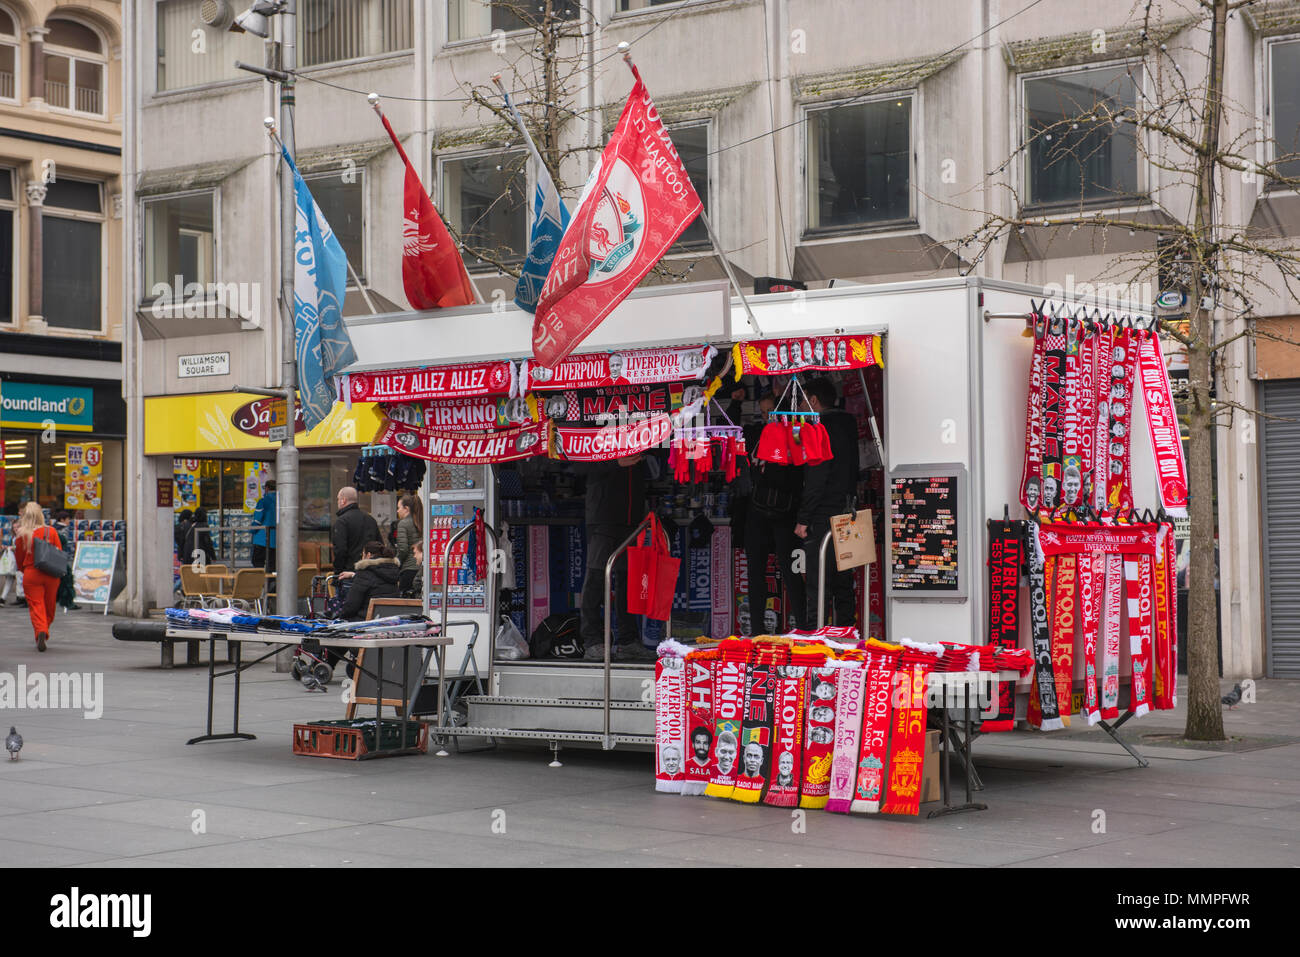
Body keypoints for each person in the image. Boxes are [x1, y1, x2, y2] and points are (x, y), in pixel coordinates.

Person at [574, 454, 655, 662]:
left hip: (632, 517)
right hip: (603, 516)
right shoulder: (595, 425)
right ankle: (592, 640)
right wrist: (613, 462)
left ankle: (628, 641)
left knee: (627, 582)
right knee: (596, 577)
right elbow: (577, 464)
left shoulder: (637, 428)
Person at [795, 378, 860, 631]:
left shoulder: (818, 429)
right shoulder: (848, 424)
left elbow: (816, 477)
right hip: (849, 508)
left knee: (818, 581)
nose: (799, 407)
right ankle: (847, 634)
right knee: (844, 580)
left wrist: (803, 518)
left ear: (813, 401)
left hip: (823, 513)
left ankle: (816, 637)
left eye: (802, 400)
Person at [743, 410, 805, 635]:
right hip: (774, 511)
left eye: (770, 412)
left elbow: (801, 464)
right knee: (765, 572)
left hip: (775, 511)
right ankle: (763, 629)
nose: (768, 417)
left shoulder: (793, 433)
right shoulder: (767, 434)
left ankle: (801, 626)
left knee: (784, 571)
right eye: (763, 412)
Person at [14, 502, 62, 651]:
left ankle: (40, 630)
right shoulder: (51, 531)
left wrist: (25, 570)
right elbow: (59, 551)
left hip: (31, 573)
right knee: (49, 606)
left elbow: (19, 558)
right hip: (51, 573)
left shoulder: (21, 534)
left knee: (36, 605)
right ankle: (45, 628)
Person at [336, 541, 401, 621]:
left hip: (366, 621)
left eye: (363, 555)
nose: (362, 558)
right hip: (390, 621)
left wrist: (340, 617)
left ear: (368, 555)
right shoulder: (393, 571)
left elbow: (351, 606)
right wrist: (354, 575)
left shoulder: (364, 573)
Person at [331, 486, 380, 574]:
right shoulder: (370, 519)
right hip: (370, 572)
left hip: (348, 573)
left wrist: (338, 572)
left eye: (338, 499)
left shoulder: (342, 521)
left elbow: (340, 550)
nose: (338, 502)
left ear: (343, 500)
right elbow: (379, 545)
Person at [395, 494, 423, 596]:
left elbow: (403, 549)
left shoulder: (403, 524)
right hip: (420, 568)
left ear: (406, 509)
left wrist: (396, 563)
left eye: (399, 508)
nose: (397, 511)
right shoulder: (421, 521)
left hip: (408, 569)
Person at [52, 511, 79, 611]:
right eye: (68, 519)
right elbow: (62, 543)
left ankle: (57, 598)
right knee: (67, 579)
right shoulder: (62, 529)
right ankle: (68, 602)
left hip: (54, 557)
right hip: (61, 557)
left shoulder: (53, 528)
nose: (69, 521)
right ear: (62, 520)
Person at [250, 480, 277, 571]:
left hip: (261, 539)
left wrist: (252, 530)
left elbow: (257, 520)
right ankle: (271, 583)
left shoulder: (263, 501)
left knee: (257, 562)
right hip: (276, 540)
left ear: (267, 488)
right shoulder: (281, 501)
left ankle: (261, 583)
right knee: (272, 565)